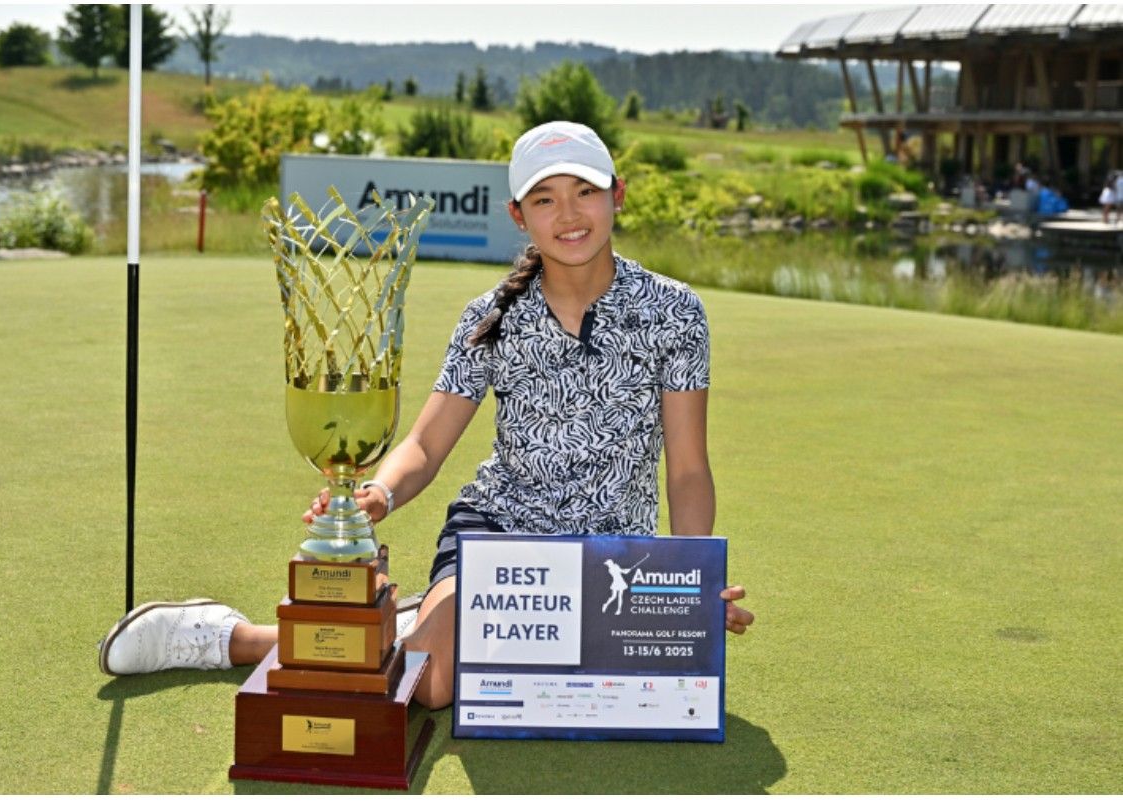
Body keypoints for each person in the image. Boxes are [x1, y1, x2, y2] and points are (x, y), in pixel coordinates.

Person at [98, 121, 755, 708]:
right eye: (545, 199)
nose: (569, 214)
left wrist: (691, 575)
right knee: (432, 684)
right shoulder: (490, 316)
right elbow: (427, 443)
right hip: (501, 534)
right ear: (518, 215)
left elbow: (688, 470)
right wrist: (376, 493)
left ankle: (419, 616)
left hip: (612, 558)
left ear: (617, 194)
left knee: (606, 681)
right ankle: (229, 637)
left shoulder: (676, 312)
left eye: (584, 191)